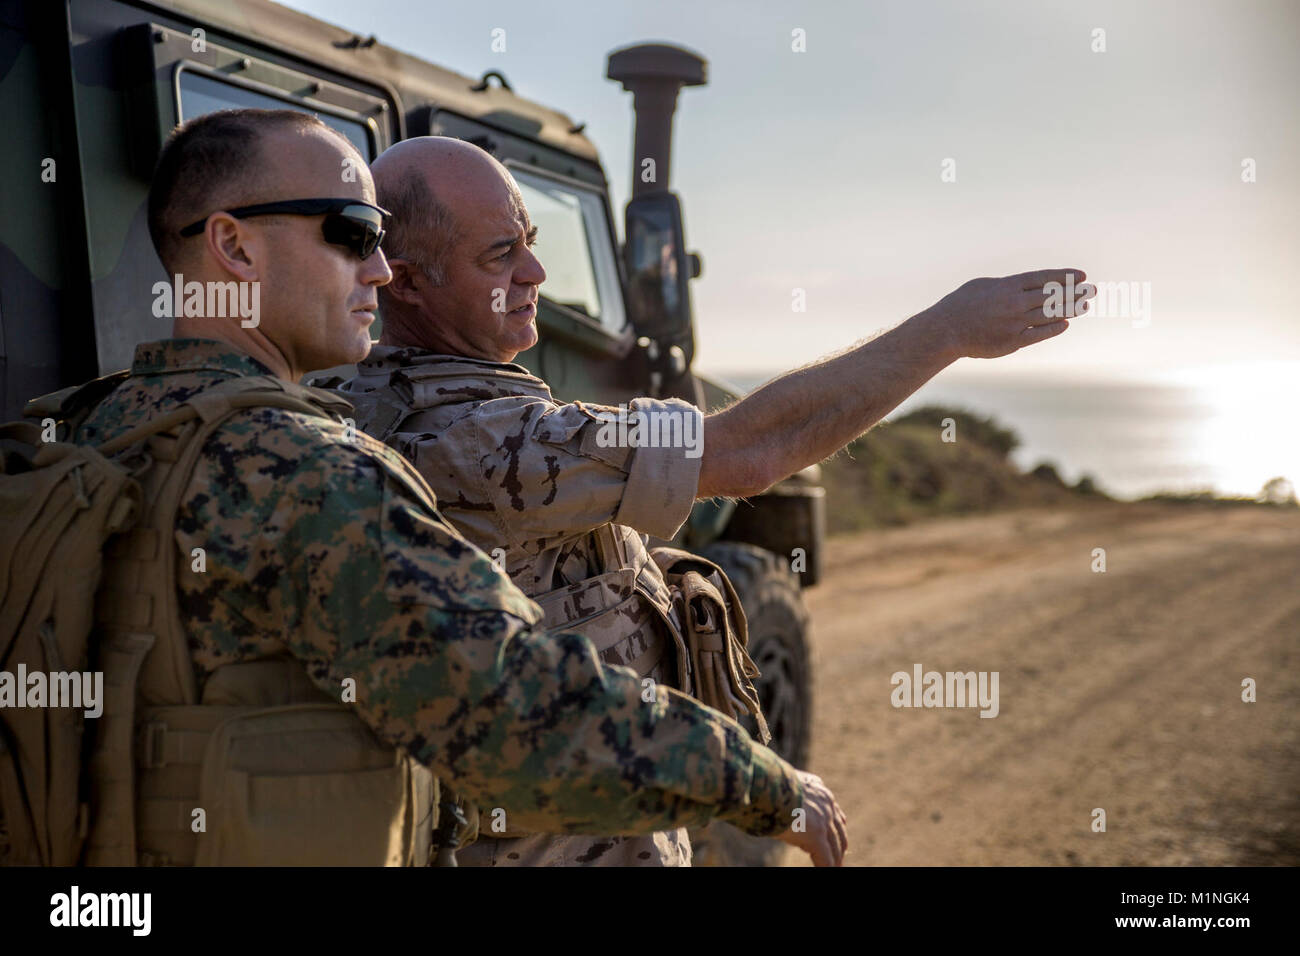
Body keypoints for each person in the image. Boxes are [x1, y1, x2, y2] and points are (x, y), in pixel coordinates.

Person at [64, 108, 845, 866]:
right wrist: (764, 785)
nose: (379, 267)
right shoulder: (310, 476)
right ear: (232, 246)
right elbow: (516, 714)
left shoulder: (85, 430)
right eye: (352, 234)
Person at [335, 135, 1095, 866]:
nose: (535, 270)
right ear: (404, 280)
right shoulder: (484, 436)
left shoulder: (337, 398)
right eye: (500, 254)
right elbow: (749, 451)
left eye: (530, 237)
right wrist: (948, 330)